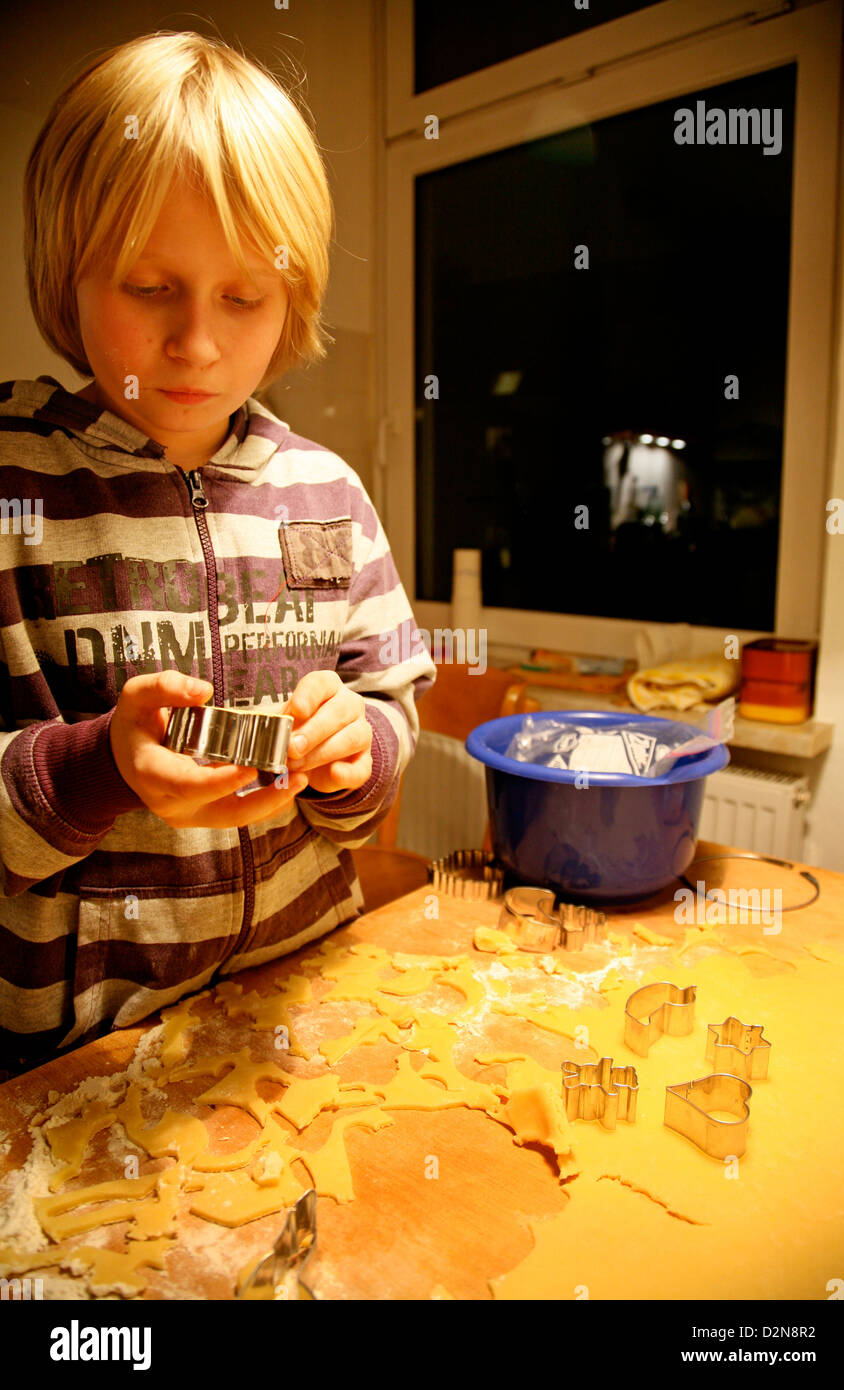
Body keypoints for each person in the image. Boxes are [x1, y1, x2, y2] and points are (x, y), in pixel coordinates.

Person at [0, 31, 436, 1077]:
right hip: (83, 1055)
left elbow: (389, 712)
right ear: (69, 273)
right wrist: (96, 767)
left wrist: (355, 753)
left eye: (244, 296)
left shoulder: (324, 491)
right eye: (151, 286)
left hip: (292, 1010)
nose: (196, 342)